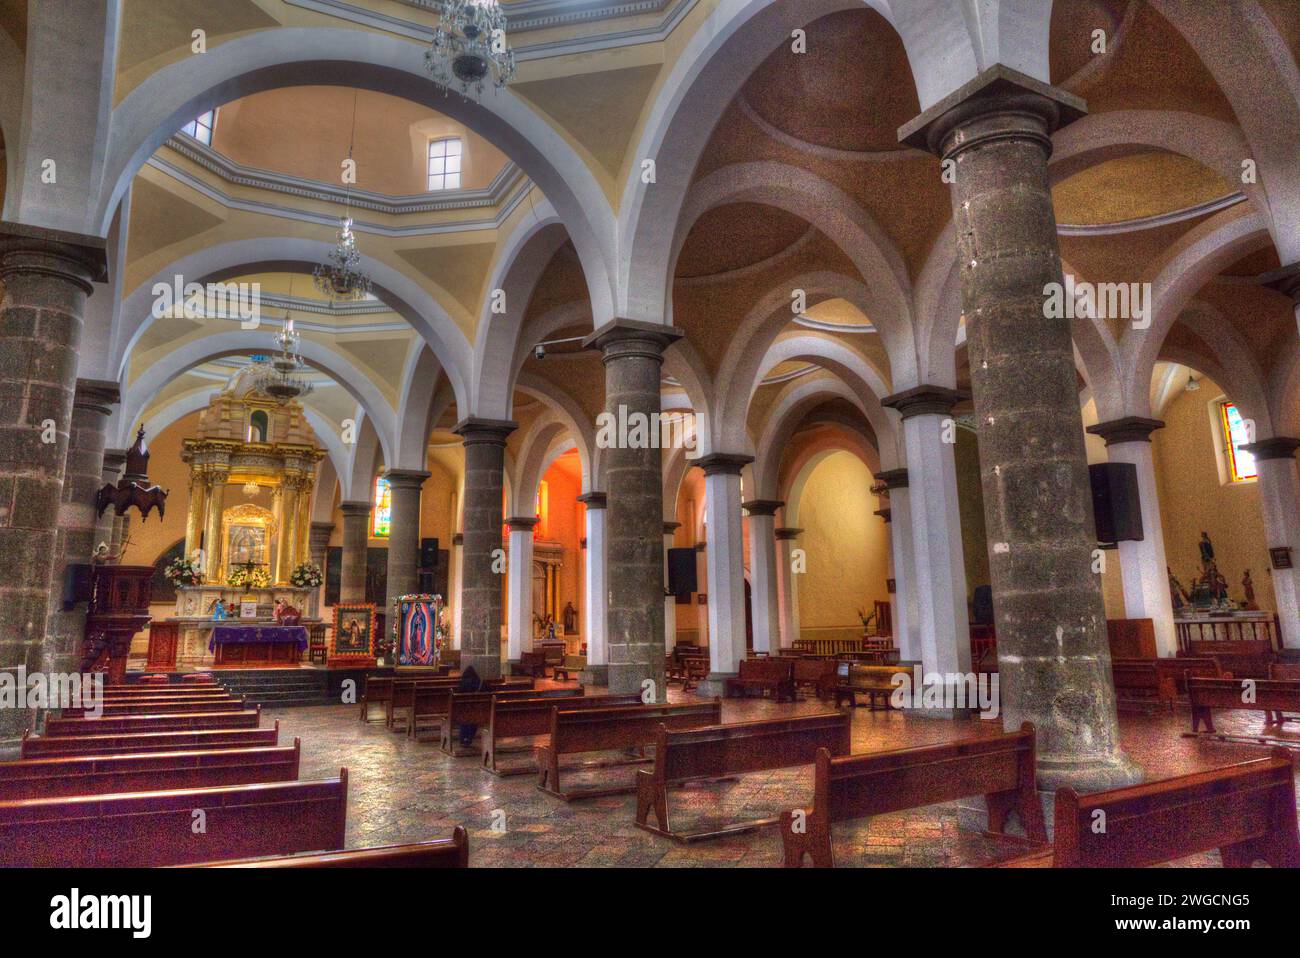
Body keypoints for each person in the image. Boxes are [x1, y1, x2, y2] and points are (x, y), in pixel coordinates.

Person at [456, 665, 484, 748]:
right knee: (473, 720)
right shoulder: (481, 683)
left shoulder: (462, 683)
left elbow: (457, 695)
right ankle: (469, 738)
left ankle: (463, 738)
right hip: (478, 710)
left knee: (465, 719)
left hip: (465, 709)